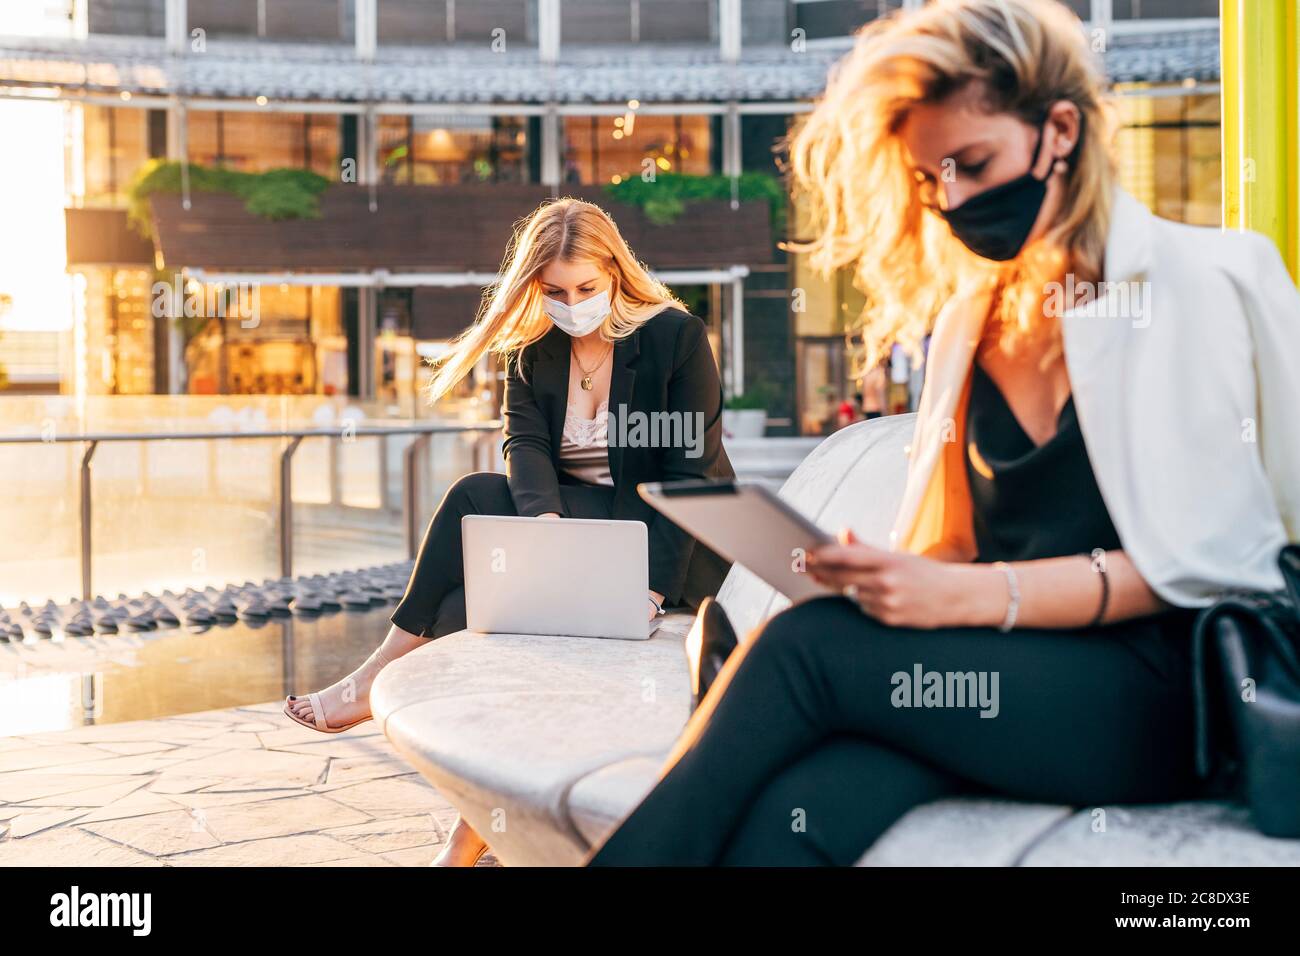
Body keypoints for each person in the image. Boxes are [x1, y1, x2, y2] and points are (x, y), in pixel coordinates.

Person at [585, 0, 1300, 866]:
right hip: (1005, 681)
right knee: (799, 811)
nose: (953, 198)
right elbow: (954, 547)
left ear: (1060, 129)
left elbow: (1212, 561)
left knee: (807, 651)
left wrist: (969, 598)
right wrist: (886, 576)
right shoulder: (972, 317)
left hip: (1168, 691)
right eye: (932, 180)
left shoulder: (1199, 280)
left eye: (970, 163)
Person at [284, 197, 734, 864]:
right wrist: (541, 533)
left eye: (585, 287)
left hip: (670, 541)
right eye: (553, 291)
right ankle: (466, 794)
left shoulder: (674, 336)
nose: (571, 302)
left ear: (615, 271)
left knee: (472, 604)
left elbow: (687, 475)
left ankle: (463, 822)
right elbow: (523, 444)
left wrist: (646, 589)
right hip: (579, 527)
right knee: (473, 517)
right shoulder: (535, 349)